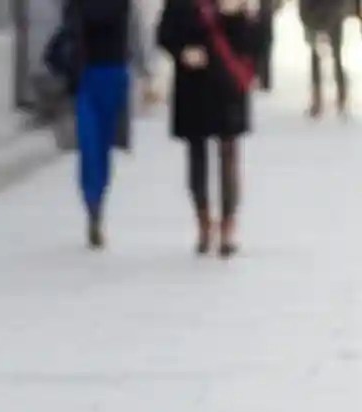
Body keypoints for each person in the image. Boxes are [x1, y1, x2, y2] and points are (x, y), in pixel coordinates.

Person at [158, 0, 262, 257]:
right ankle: (203, 222)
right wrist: (182, 51)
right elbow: (164, 33)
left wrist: (236, 15)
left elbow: (255, 40)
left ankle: (228, 226)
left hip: (228, 85)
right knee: (197, 155)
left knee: (229, 154)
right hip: (193, 86)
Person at [63, 0, 155, 249]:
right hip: (87, 77)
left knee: (102, 145)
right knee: (89, 145)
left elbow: (137, 38)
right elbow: (65, 34)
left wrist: (147, 74)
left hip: (114, 76)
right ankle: (93, 204)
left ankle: (97, 202)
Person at [300, 0, 352, 116]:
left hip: (330, 20)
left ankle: (339, 97)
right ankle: (319, 99)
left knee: (335, 58)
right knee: (320, 58)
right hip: (319, 20)